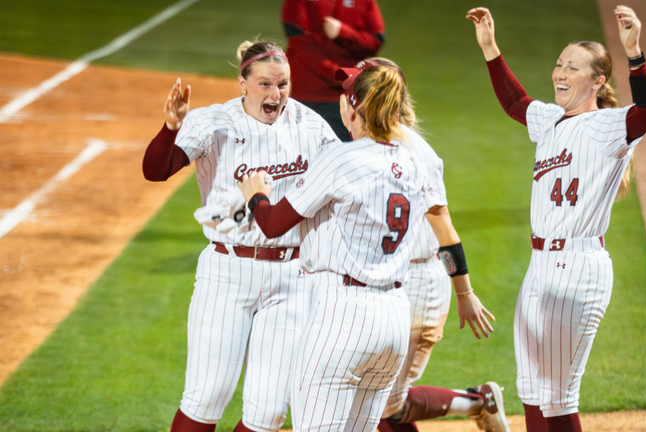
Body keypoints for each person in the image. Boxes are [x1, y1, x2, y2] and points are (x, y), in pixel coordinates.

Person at [237, 61, 495, 432]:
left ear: (351, 107)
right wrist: (464, 290)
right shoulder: (417, 159)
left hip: (343, 317)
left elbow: (274, 225)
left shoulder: (342, 158)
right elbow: (445, 228)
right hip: (394, 316)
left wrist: (257, 196)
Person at [466, 5, 646, 432]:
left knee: (558, 394)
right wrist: (490, 47)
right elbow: (516, 101)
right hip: (540, 267)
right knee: (533, 389)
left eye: (572, 67)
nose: (560, 73)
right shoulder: (551, 120)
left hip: (579, 268)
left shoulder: (609, 126)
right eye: (558, 64)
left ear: (597, 81)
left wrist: (634, 53)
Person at [142, 39, 340, 432]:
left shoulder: (311, 126)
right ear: (243, 84)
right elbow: (155, 171)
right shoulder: (212, 122)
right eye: (265, 84)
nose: (276, 94)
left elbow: (338, 189)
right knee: (206, 396)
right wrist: (171, 127)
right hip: (226, 273)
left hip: (291, 277)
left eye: (282, 84)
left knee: (268, 412)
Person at [360, 58, 508, 432]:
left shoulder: (414, 152)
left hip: (418, 283)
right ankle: (480, 401)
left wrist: (465, 292)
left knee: (385, 405)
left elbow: (444, 229)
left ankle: (479, 402)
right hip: (388, 282)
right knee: (376, 398)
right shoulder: (365, 147)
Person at [282, 0, 385, 140]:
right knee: (299, 158)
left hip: (346, 99)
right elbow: (300, 43)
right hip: (304, 97)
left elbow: (375, 42)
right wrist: (340, 75)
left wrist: (343, 32)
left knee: (345, 157)